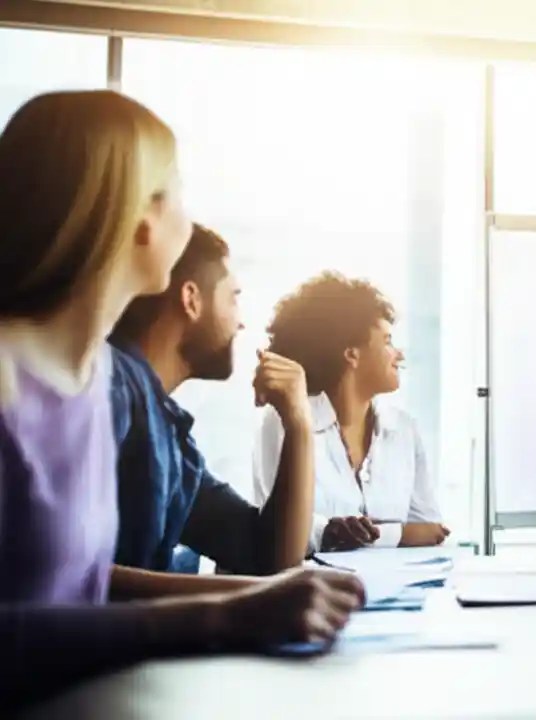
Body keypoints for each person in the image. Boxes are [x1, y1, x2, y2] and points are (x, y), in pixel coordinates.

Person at [0, 90, 362, 707]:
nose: (189, 219)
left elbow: (83, 590)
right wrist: (225, 615)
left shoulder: (90, 384)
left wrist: (299, 422)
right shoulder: (83, 384)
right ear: (138, 218)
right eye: (178, 194)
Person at [109, 223, 320, 597]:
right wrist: (229, 606)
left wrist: (299, 425)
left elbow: (268, 559)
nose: (241, 322)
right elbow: (69, 578)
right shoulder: (112, 386)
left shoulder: (170, 435)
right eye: (233, 297)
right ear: (191, 299)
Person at [253, 272, 448, 552]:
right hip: (314, 588)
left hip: (398, 589)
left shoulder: (404, 428)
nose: (399, 354)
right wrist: (396, 533)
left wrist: (363, 533)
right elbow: (282, 529)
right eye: (387, 341)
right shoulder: (286, 420)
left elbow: (429, 531)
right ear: (352, 354)